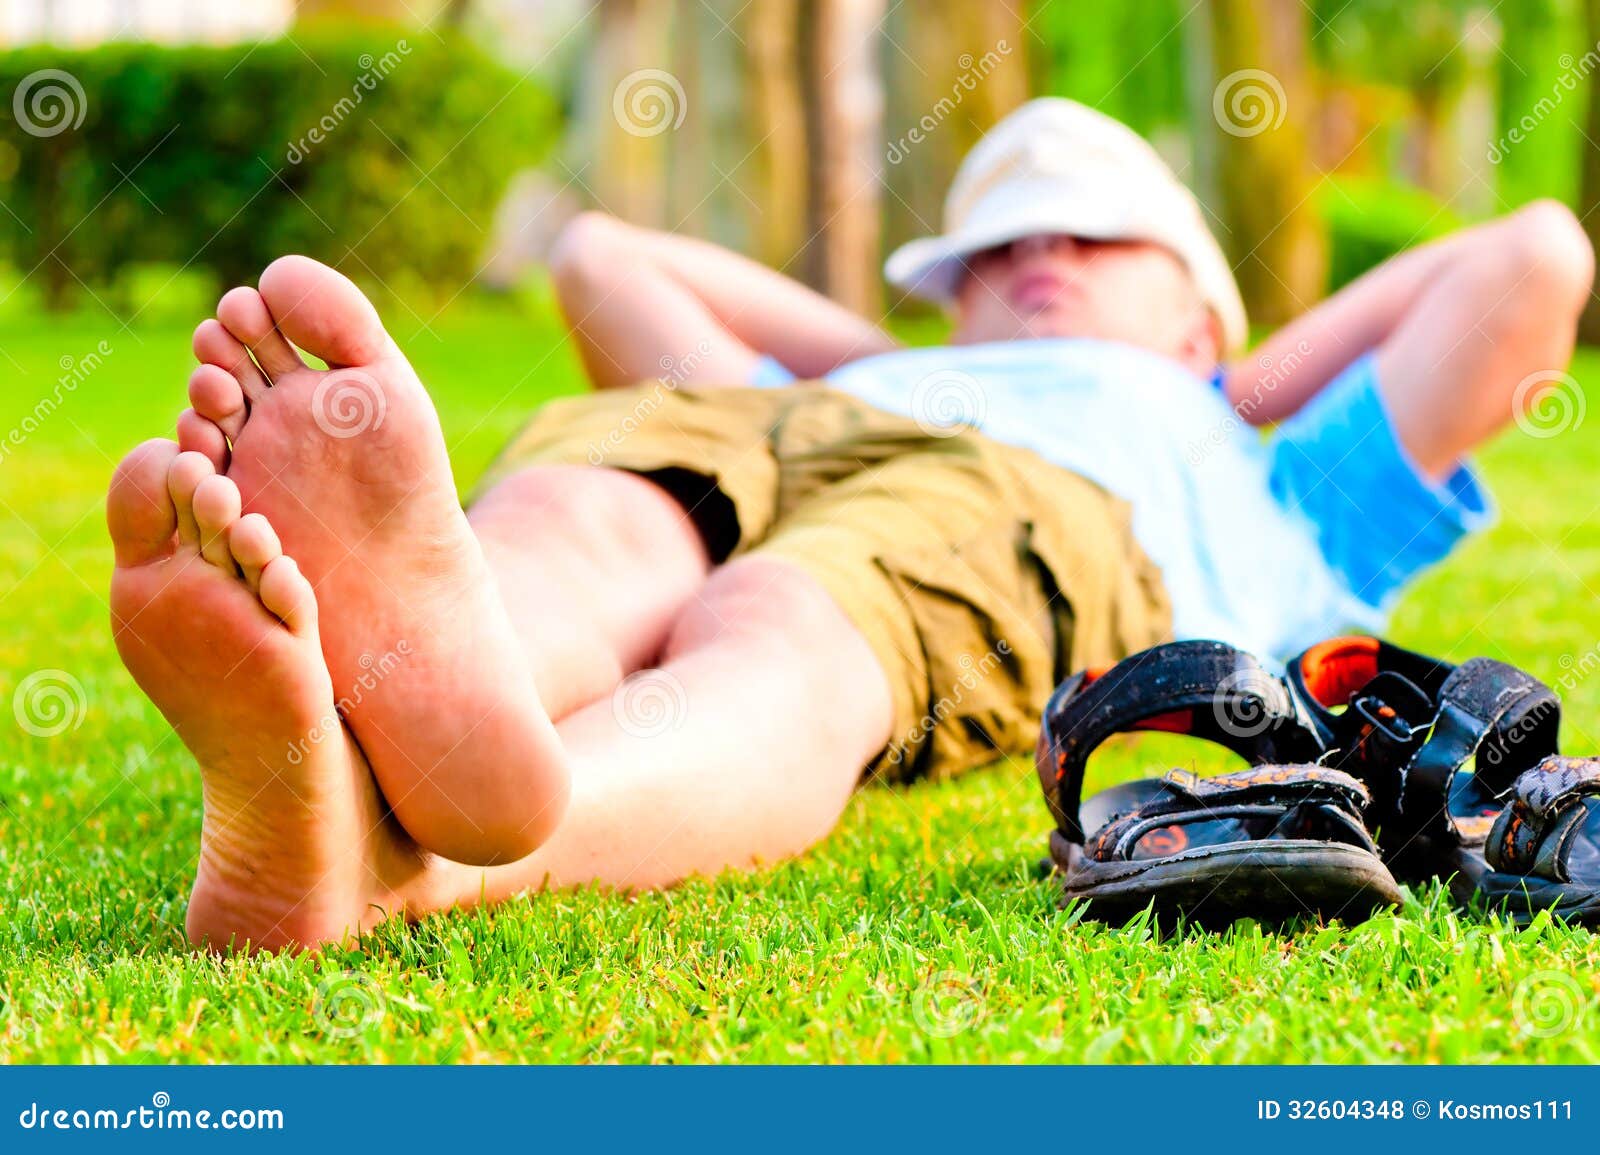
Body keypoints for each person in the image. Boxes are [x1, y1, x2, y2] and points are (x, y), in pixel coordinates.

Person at [106, 99, 1592, 952]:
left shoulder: (1268, 465)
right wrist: (876, 365)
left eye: (1089, 236)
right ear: (945, 303)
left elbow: (1535, 259)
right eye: (995, 253)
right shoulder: (897, 362)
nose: (1038, 259)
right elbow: (601, 257)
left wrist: (1221, 376)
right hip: (774, 420)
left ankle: (418, 847)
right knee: (591, 506)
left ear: (1207, 303)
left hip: (1043, 505)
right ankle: (431, 680)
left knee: (792, 630)